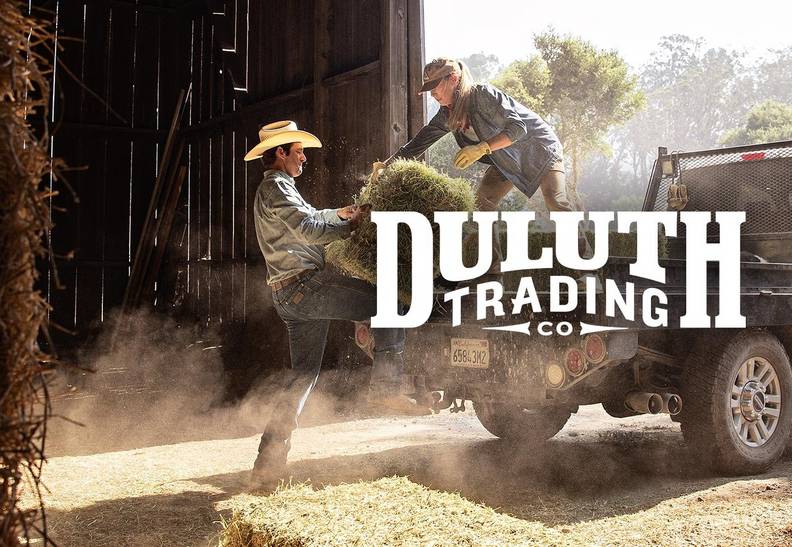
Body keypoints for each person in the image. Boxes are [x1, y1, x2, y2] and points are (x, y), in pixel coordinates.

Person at [244, 120, 426, 489]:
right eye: (299, 152)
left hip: (290, 294)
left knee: (302, 376)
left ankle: (268, 462)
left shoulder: (275, 190)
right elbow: (309, 229)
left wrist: (341, 214)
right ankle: (387, 384)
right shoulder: (278, 187)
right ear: (281, 153)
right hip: (305, 287)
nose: (304, 159)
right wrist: (350, 227)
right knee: (387, 299)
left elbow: (311, 217)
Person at [392, 57, 576, 212]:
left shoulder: (482, 94)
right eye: (429, 88)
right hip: (504, 158)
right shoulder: (447, 113)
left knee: (555, 200)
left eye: (435, 86)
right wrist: (386, 165)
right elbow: (418, 144)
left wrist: (481, 148)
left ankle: (583, 252)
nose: (432, 93)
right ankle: (493, 256)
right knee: (482, 204)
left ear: (454, 78)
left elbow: (518, 128)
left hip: (539, 148)